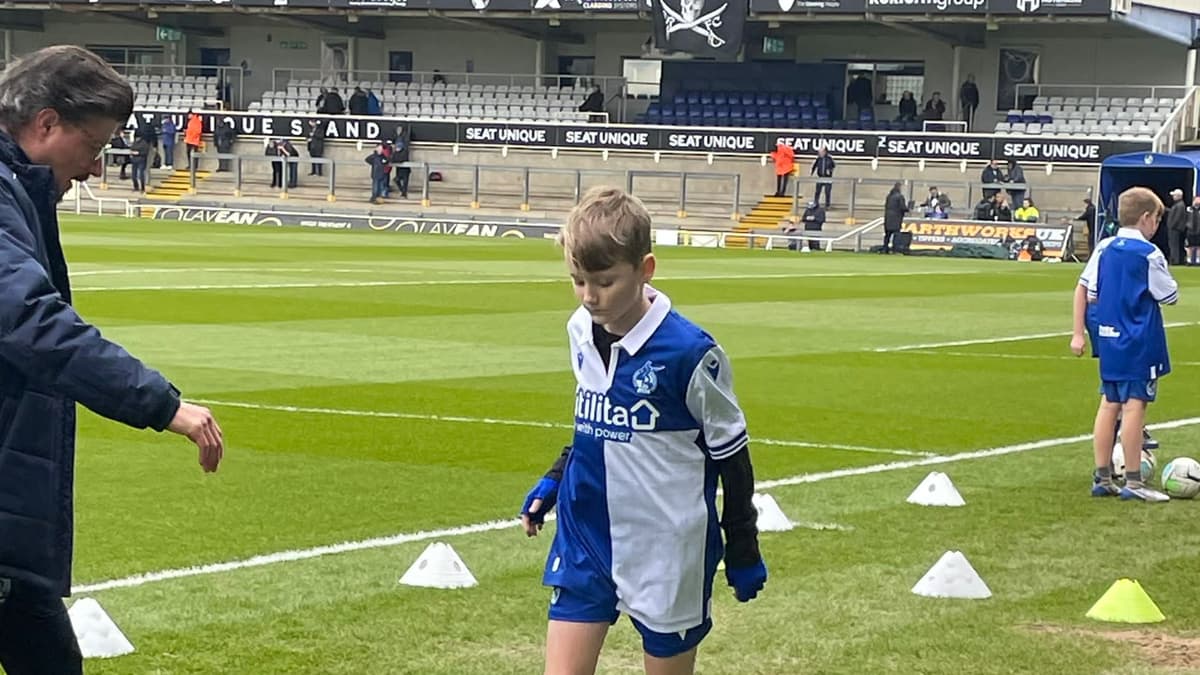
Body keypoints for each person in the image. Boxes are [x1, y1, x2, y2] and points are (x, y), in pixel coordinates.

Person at [0, 45, 224, 674]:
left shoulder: (18, 192)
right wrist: (163, 403)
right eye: (92, 145)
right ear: (45, 124)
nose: (96, 167)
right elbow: (29, 320)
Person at [519, 187, 765, 675]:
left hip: (666, 546)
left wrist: (742, 542)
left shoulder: (692, 355)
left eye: (605, 282)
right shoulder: (578, 329)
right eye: (578, 281)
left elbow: (732, 458)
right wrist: (554, 478)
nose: (590, 297)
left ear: (645, 269)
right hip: (586, 531)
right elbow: (595, 420)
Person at [1070, 187, 1176, 502]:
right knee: (1134, 407)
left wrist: (1079, 331)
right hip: (1140, 339)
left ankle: (1102, 476)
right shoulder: (1149, 253)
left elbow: (1086, 289)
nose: (1157, 225)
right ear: (1145, 218)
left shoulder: (1105, 247)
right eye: (1156, 218)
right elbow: (1168, 295)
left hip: (1109, 336)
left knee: (1109, 404)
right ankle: (1134, 481)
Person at [882, 182, 907, 253]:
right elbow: (902, 207)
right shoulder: (900, 196)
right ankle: (895, 249)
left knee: (887, 235)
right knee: (896, 234)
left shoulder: (889, 196)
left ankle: (885, 249)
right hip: (896, 218)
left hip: (888, 217)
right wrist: (908, 209)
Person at [1165, 189, 1188, 266]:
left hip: (1175, 229)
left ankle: (1175, 260)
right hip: (1175, 228)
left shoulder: (1180, 205)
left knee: (1174, 245)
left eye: (1174, 195)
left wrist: (1171, 226)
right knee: (1173, 244)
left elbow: (1177, 218)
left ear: (1178, 196)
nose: (1173, 197)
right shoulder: (1178, 205)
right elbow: (1173, 212)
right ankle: (1175, 259)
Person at [1187, 196, 1200, 266]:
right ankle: (1189, 260)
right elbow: (1185, 217)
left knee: (1198, 246)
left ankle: (1198, 260)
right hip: (1190, 231)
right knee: (1190, 246)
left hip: (1198, 231)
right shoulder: (1189, 209)